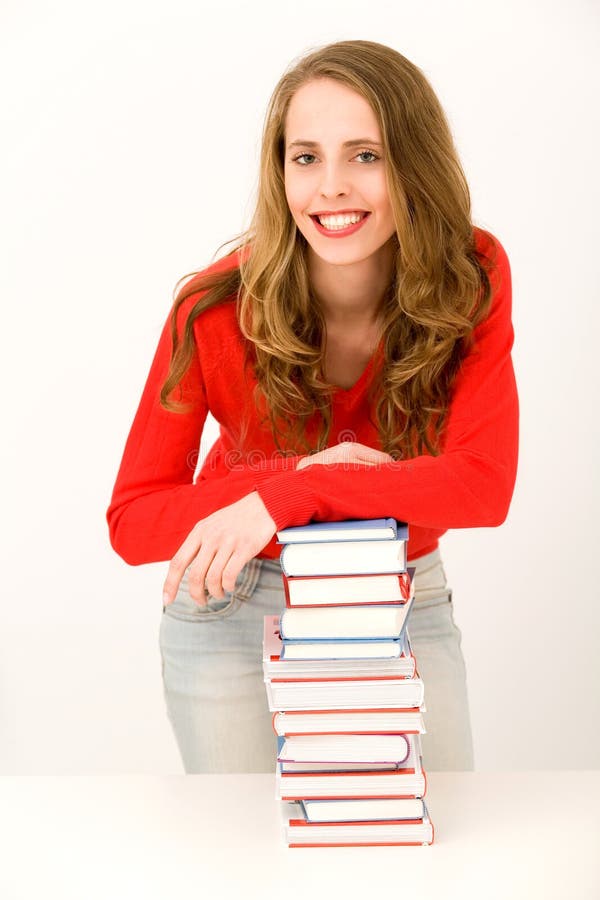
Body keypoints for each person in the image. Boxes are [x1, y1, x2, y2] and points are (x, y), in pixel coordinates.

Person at [106, 40, 519, 774]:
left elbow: (482, 486)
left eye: (366, 155)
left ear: (414, 163)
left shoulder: (471, 276)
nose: (331, 187)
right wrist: (287, 484)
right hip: (231, 604)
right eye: (306, 157)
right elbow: (134, 522)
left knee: (438, 848)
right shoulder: (212, 306)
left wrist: (296, 490)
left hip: (399, 594)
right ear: (281, 171)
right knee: (249, 865)